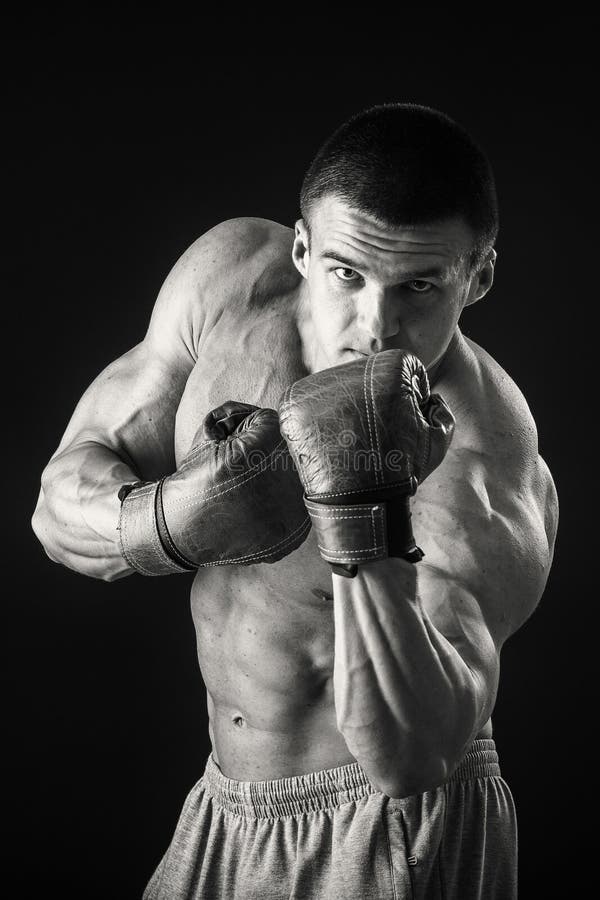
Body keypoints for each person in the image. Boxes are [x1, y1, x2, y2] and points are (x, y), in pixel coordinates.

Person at [32, 103, 558, 899]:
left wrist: (364, 507)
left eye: (419, 284)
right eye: (348, 273)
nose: (376, 326)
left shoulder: (486, 451)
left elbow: (415, 755)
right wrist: (173, 518)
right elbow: (56, 511)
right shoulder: (231, 284)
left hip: (389, 828)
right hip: (224, 804)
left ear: (477, 276)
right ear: (304, 248)